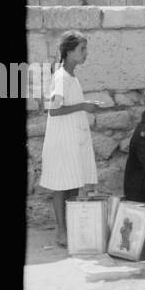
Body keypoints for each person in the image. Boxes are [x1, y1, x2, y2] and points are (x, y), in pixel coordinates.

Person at [39, 31, 99, 248]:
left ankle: (71, 228)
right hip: (63, 139)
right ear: (69, 51)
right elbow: (54, 110)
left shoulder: (71, 76)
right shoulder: (61, 77)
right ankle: (61, 231)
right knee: (61, 185)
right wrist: (83, 106)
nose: (86, 53)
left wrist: (84, 105)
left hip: (72, 138)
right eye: (82, 49)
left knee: (73, 182)